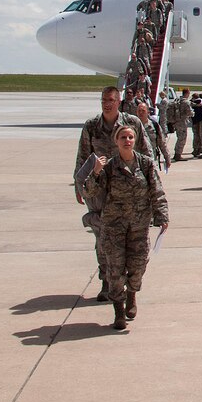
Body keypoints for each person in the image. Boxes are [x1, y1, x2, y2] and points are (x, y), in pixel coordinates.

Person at [81, 125, 169, 331]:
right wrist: (95, 172)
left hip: (139, 225)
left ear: (135, 140)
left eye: (130, 137)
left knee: (138, 265)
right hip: (114, 226)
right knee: (115, 269)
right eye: (123, 137)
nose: (127, 140)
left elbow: (157, 191)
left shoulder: (146, 164)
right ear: (116, 141)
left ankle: (132, 294)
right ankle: (118, 310)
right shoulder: (109, 167)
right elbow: (89, 191)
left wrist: (162, 215)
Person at [75, 86, 153, 301]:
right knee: (103, 239)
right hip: (99, 191)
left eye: (110, 99)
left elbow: (147, 154)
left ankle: (128, 285)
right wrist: (79, 185)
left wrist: (150, 186)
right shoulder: (91, 126)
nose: (106, 103)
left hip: (129, 190)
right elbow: (82, 157)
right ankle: (106, 282)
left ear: (118, 101)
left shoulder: (131, 124)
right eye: (103, 100)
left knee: (132, 240)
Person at [136, 102, 171, 171]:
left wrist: (167, 158)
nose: (141, 113)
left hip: (151, 161)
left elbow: (162, 143)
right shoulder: (132, 126)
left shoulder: (154, 126)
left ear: (148, 112)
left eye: (143, 111)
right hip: (136, 162)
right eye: (139, 111)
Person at [172, 88, 193, 161]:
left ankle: (176, 153)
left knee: (179, 138)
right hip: (182, 122)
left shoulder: (178, 100)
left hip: (177, 122)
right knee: (182, 139)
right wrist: (193, 113)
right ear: (187, 93)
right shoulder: (186, 102)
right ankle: (178, 154)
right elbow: (189, 112)